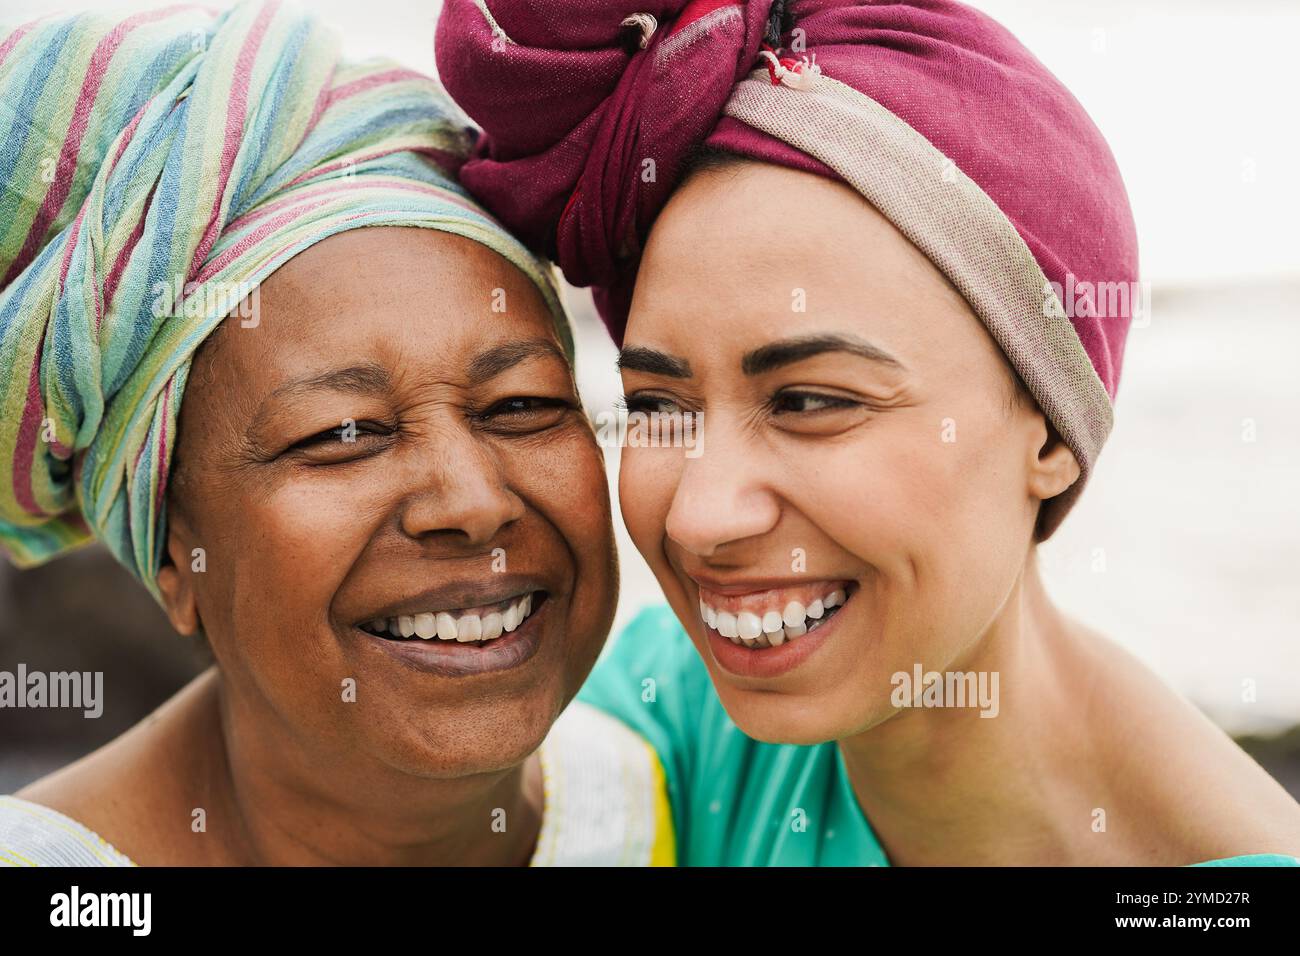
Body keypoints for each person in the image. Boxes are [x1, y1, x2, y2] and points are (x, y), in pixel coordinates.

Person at [437, 0, 1300, 865]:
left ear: (1050, 436)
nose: (702, 517)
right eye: (659, 409)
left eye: (811, 402)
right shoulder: (675, 717)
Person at [0, 2, 672, 867]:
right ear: (172, 557)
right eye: (342, 434)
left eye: (521, 407)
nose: (471, 503)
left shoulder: (679, 796)